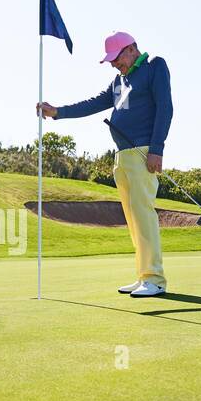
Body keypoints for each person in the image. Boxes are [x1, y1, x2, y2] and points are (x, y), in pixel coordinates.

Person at [37, 31, 173, 297]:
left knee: (143, 215)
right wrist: (58, 112)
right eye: (111, 60)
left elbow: (165, 108)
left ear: (132, 49)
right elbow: (94, 103)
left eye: (117, 58)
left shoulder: (154, 66)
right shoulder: (119, 81)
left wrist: (157, 149)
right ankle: (144, 275)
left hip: (144, 152)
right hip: (122, 156)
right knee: (133, 219)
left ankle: (155, 279)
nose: (114, 64)